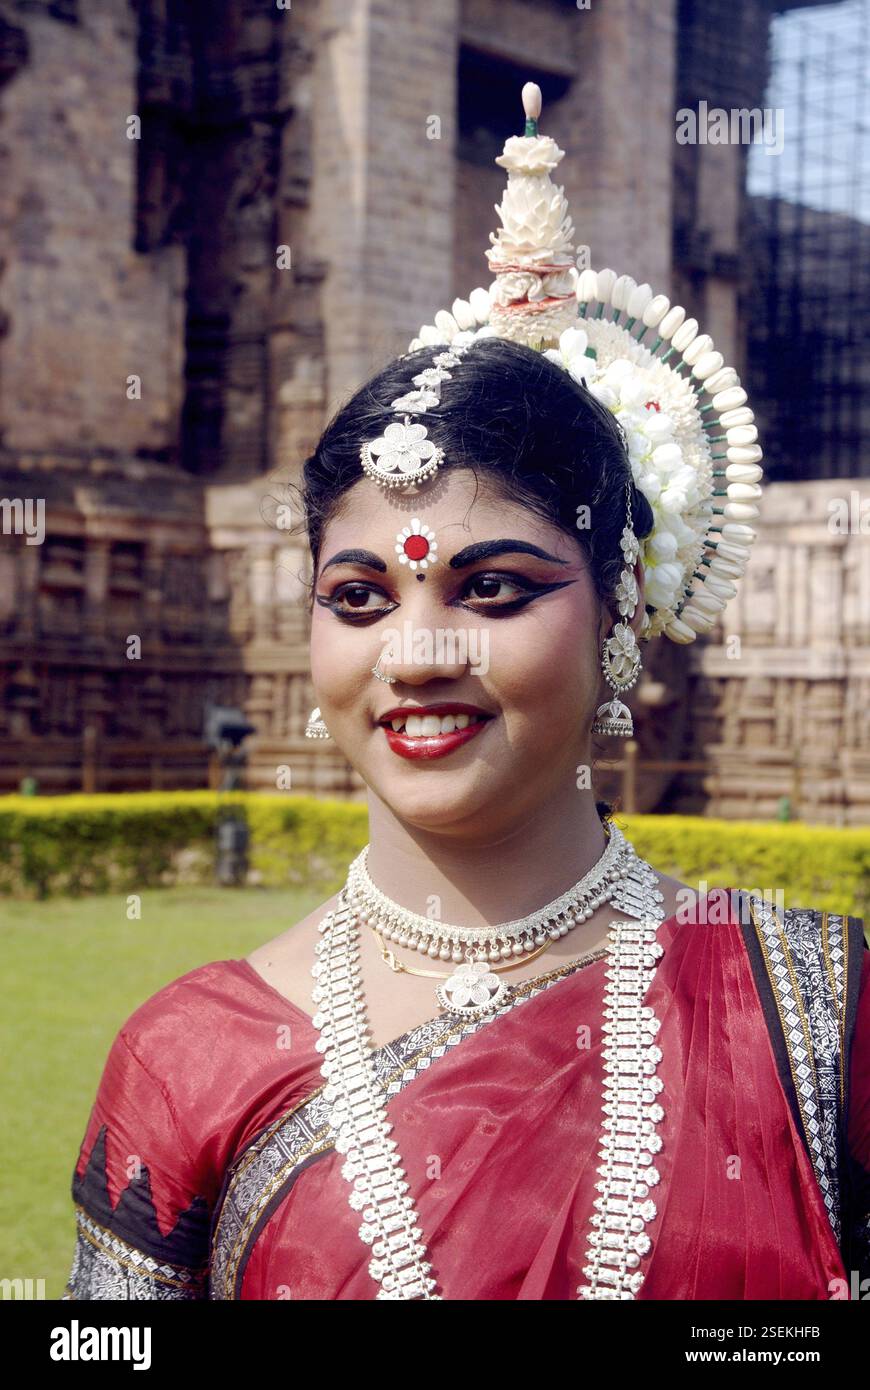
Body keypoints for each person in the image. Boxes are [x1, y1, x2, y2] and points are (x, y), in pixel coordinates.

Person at [62, 84, 869, 1302]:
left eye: (493, 590)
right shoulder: (190, 1060)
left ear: (620, 617)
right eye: (360, 596)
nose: (419, 651)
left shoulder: (819, 1010)